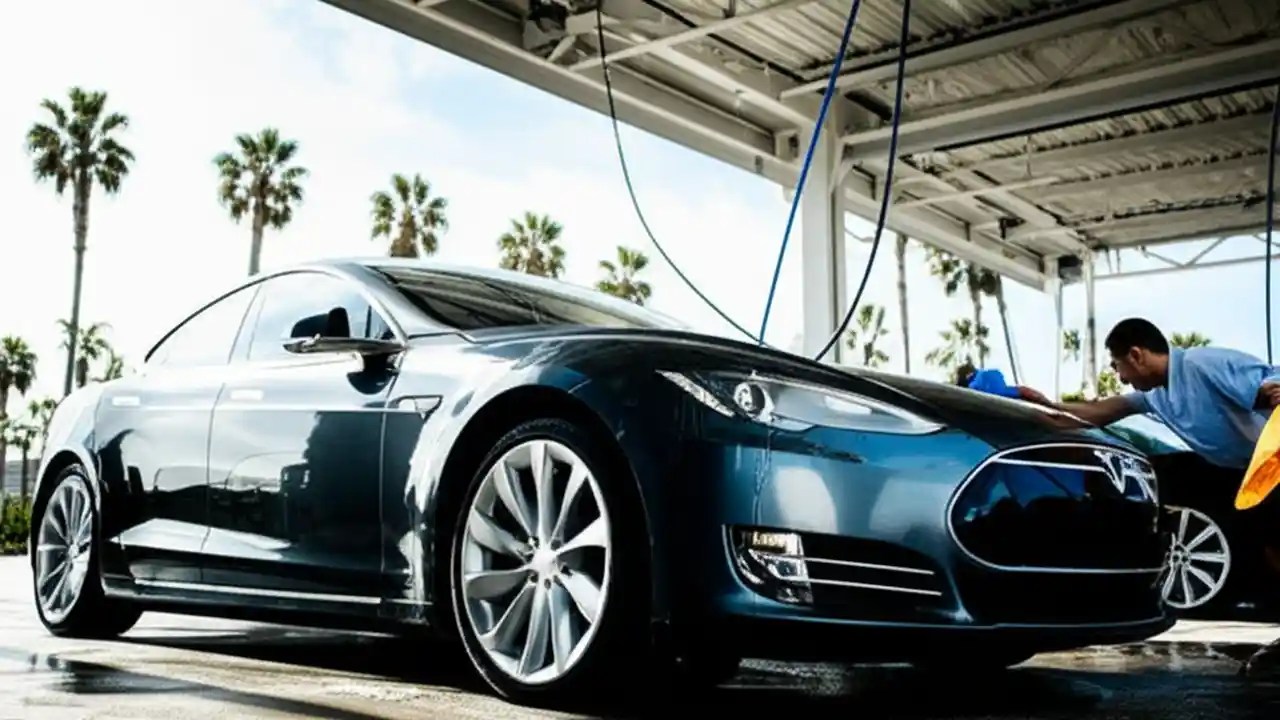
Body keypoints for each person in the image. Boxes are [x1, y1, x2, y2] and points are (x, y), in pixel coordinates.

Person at [1027, 317, 1280, 678]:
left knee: (1275, 551)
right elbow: (1101, 412)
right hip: (1248, 476)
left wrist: (1272, 388)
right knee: (1267, 553)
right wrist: (1046, 406)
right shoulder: (1155, 394)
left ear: (1135, 354)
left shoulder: (1201, 364)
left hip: (1274, 463)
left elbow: (1269, 377)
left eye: (1118, 366)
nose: (1120, 377)